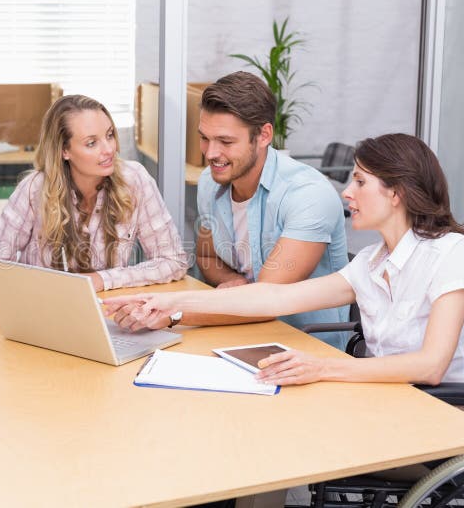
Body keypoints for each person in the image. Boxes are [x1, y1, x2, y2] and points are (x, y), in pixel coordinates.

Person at [105, 134, 464, 404]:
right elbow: (276, 295)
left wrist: (321, 367)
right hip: (389, 397)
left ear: (396, 192)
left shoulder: (448, 252)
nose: (347, 192)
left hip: (448, 410)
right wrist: (167, 303)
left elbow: (431, 366)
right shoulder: (372, 262)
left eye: (360, 181)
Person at [112, 71, 350, 347]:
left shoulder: (308, 195)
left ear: (263, 135)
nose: (210, 153)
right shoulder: (210, 184)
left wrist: (172, 312)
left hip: (308, 344)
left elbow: (267, 300)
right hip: (240, 333)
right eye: (205, 138)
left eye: (225, 142)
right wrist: (231, 279)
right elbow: (207, 255)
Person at [0, 94, 188, 290]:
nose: (108, 149)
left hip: (110, 310)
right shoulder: (33, 189)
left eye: (109, 135)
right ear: (64, 150)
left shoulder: (134, 179)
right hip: (46, 311)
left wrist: (102, 279)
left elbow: (173, 260)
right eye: (92, 143)